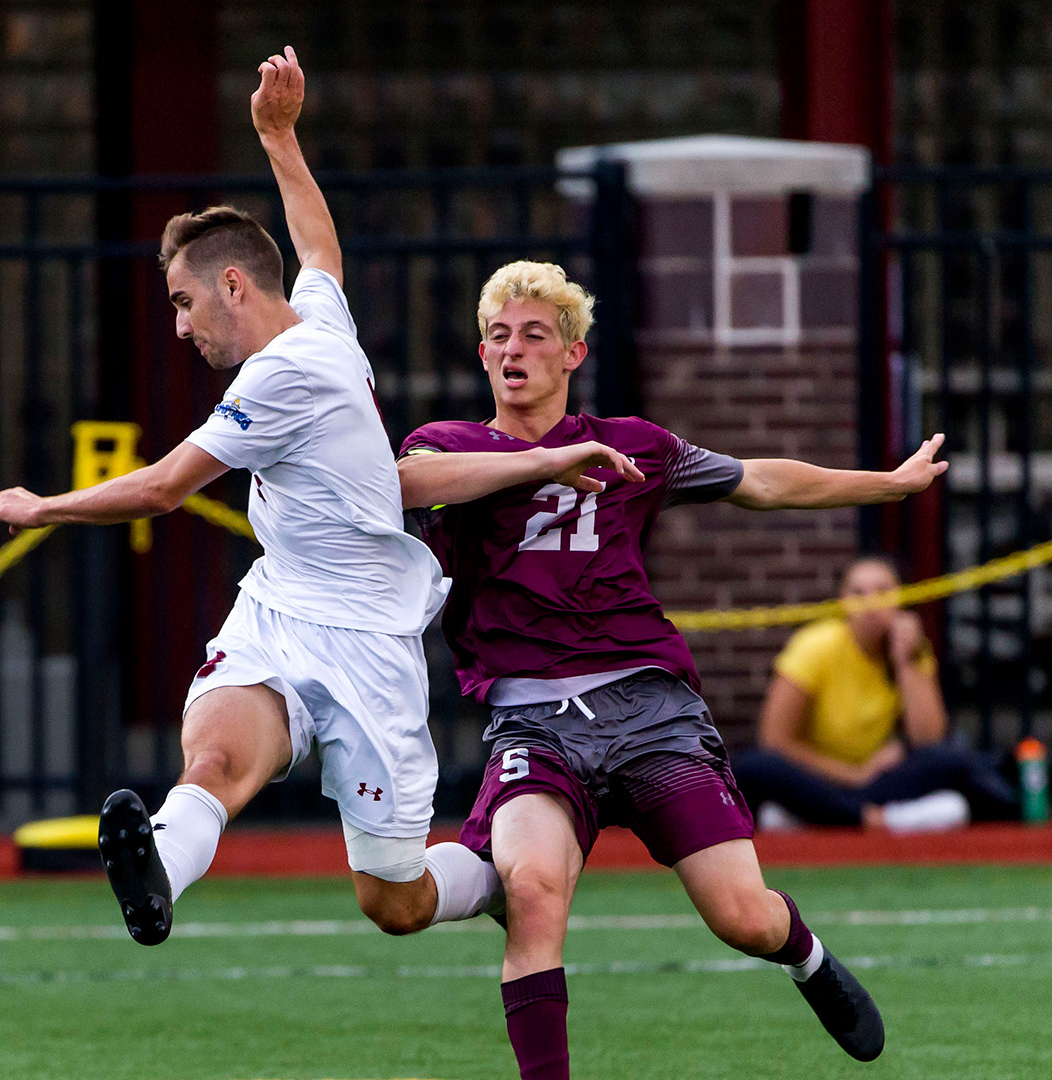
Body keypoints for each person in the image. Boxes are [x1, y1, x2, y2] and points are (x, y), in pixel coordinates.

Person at [0, 50, 623, 946]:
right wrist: (279, 136)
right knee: (216, 758)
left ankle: (503, 879)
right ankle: (158, 866)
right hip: (279, 607)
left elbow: (163, 490)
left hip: (367, 645)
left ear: (232, 285)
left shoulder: (285, 375)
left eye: (184, 302)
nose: (180, 325)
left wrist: (43, 507)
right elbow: (319, 247)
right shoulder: (319, 319)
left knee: (395, 902)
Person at [398, 260, 949, 1076]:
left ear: (573, 352)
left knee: (742, 918)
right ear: (483, 356)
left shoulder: (633, 447)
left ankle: (807, 958)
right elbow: (405, 484)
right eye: (498, 337)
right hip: (534, 726)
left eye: (535, 335)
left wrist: (885, 486)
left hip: (650, 712)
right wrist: (543, 463)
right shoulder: (447, 449)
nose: (513, 349)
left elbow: (757, 480)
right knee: (535, 892)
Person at [733, 556, 1019, 831]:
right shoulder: (815, 646)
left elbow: (930, 739)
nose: (870, 604)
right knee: (754, 767)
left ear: (902, 597)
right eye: (858, 592)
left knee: (950, 761)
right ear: (842, 600)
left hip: (877, 781)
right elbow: (774, 740)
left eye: (882, 591)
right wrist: (852, 775)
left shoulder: (911, 649)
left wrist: (906, 661)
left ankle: (833, 816)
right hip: (816, 778)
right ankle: (869, 818)